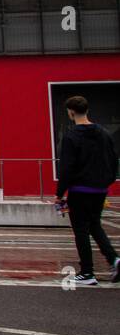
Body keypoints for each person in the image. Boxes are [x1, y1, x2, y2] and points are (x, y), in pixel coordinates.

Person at [54, 95, 120, 285]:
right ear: (87, 110)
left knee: (81, 230)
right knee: (95, 225)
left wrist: (60, 193)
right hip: (99, 189)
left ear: (71, 112)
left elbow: (67, 167)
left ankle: (87, 272)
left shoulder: (71, 136)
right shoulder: (104, 133)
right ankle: (114, 259)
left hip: (80, 189)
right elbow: (113, 159)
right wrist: (106, 181)